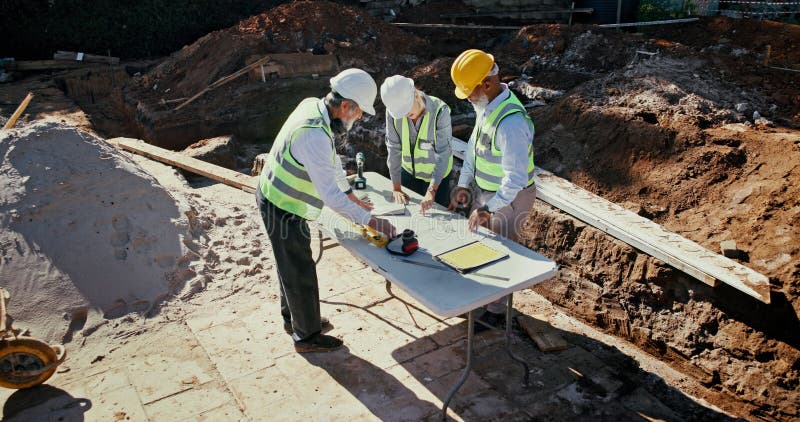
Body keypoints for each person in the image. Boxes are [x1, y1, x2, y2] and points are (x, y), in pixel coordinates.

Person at [257, 68, 396, 353]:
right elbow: (329, 196)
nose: (358, 119)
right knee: (299, 268)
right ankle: (307, 337)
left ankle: (294, 319)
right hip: (281, 204)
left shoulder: (313, 108)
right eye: (358, 113)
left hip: (276, 196)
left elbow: (332, 164)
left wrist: (352, 197)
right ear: (345, 106)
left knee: (290, 264)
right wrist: (372, 221)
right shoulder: (314, 135)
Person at [448, 49, 537, 329]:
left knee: (502, 254)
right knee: (485, 249)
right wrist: (464, 185)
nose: (468, 98)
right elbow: (474, 149)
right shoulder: (487, 106)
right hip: (489, 194)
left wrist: (489, 207)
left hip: (509, 199)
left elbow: (515, 179)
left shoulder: (511, 123)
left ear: (486, 84)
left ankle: (495, 314)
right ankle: (486, 302)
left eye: (469, 92)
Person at [380, 75, 454, 214]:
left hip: (438, 178)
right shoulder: (393, 112)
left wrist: (432, 191)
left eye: (407, 109)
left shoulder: (440, 111)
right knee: (409, 215)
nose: (406, 114)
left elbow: (443, 153)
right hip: (408, 173)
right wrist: (396, 187)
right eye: (401, 112)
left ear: (414, 93)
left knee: (436, 219)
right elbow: (393, 148)